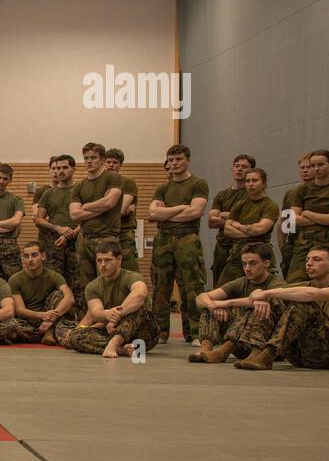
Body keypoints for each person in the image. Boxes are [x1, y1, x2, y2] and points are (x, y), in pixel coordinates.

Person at [234, 246, 329, 371]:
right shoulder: (303, 285)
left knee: (301, 303)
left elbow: (313, 294)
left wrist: (266, 293)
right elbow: (264, 296)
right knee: (269, 302)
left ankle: (268, 354)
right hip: (301, 355)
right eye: (307, 260)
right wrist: (219, 304)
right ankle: (256, 354)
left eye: (317, 259)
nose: (309, 264)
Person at [148, 144, 210, 344]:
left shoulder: (198, 184)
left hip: (188, 238)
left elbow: (195, 212)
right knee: (160, 288)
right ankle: (161, 333)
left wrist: (167, 213)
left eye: (179, 159)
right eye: (171, 160)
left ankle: (195, 333)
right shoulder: (163, 188)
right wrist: (182, 208)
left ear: (188, 160)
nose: (174, 163)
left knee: (192, 287)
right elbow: (153, 213)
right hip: (163, 239)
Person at [189, 243, 286, 364]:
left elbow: (257, 301)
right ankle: (206, 349)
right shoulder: (242, 282)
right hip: (242, 343)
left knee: (255, 307)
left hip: (265, 346)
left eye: (253, 263)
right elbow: (200, 298)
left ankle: (224, 351)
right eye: (244, 264)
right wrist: (212, 306)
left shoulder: (276, 283)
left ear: (266, 264)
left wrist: (227, 303)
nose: (247, 268)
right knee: (210, 306)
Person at [63, 240, 160, 358]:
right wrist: (107, 314)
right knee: (76, 337)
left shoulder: (132, 277)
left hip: (143, 332)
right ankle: (123, 350)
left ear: (119, 260)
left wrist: (115, 317)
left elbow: (140, 294)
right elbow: (96, 313)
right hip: (113, 331)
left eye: (108, 260)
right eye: (99, 261)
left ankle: (113, 344)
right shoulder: (92, 286)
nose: (102, 265)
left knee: (138, 308)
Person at [69, 142, 124, 292]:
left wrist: (85, 206)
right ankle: (91, 315)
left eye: (93, 157)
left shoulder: (113, 179)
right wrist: (100, 207)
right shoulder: (79, 186)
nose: (89, 161)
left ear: (102, 160)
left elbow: (109, 202)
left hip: (107, 236)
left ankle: (108, 315)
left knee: (108, 282)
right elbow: (74, 214)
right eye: (86, 158)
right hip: (84, 238)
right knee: (86, 284)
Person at [216, 167, 279, 284]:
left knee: (260, 293)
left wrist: (237, 224)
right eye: (248, 181)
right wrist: (249, 230)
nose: (250, 184)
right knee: (221, 292)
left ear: (264, 183)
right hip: (237, 255)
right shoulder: (239, 205)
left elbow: (260, 229)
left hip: (259, 255)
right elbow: (227, 230)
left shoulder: (270, 205)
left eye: (255, 181)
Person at [286, 150, 329, 282]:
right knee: (295, 283)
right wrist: (324, 218)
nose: (316, 168)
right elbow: (292, 220)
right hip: (303, 244)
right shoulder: (301, 190)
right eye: (312, 165)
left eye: (321, 164)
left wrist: (307, 213)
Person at [8, 242, 74, 346]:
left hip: (49, 320)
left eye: (34, 255)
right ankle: (45, 334)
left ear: (43, 256)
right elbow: (19, 310)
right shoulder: (15, 279)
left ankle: (49, 331)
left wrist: (49, 320)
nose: (30, 260)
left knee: (58, 295)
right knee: (10, 328)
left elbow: (69, 298)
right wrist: (41, 316)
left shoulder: (54, 276)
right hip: (27, 321)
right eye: (26, 256)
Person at [34, 154, 79, 301]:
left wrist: (69, 234)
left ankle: (76, 319)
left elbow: (89, 218)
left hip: (77, 241)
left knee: (77, 282)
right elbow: (38, 220)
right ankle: (54, 316)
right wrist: (58, 228)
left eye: (65, 167)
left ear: (73, 169)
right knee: (54, 282)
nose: (60, 171)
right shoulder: (48, 193)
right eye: (57, 168)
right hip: (54, 243)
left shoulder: (80, 190)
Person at [207, 154, 253, 283]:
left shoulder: (252, 195)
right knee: (219, 284)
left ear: (251, 170)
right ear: (232, 169)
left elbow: (250, 220)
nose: (239, 169)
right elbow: (212, 221)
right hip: (222, 246)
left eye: (244, 167)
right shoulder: (222, 195)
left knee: (243, 283)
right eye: (237, 166)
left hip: (243, 246)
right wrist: (236, 218)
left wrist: (226, 215)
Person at [103, 148, 140, 271]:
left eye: (115, 162)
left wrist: (99, 209)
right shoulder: (99, 184)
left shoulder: (128, 183)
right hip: (104, 232)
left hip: (124, 232)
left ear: (121, 165)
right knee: (106, 270)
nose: (111, 165)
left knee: (129, 269)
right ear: (103, 163)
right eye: (108, 162)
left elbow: (122, 210)